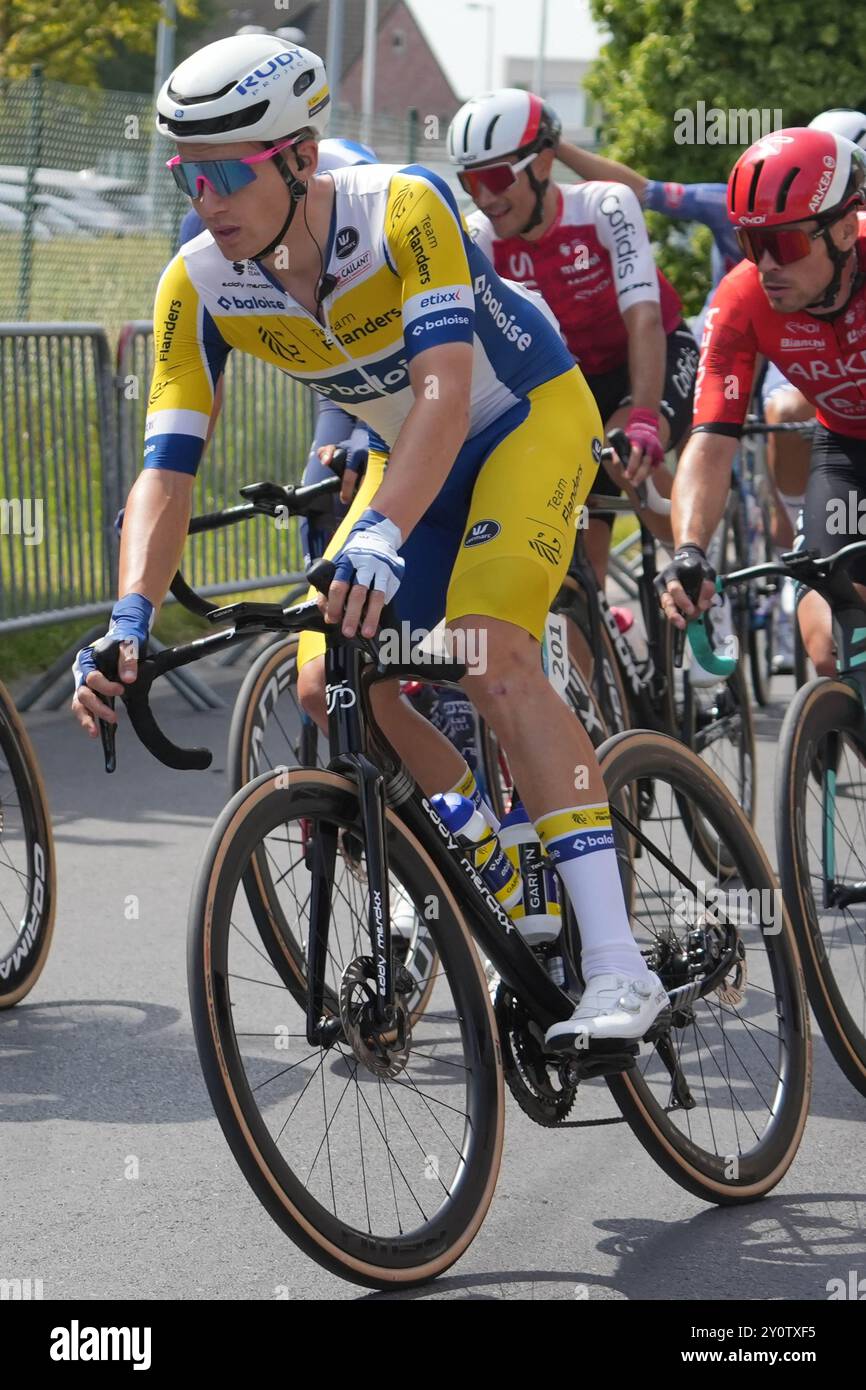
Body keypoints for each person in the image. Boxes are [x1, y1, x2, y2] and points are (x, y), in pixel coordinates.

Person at [71, 34, 669, 1048]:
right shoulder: (201, 281)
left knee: (490, 652)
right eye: (186, 172)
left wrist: (383, 529)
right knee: (326, 675)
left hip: (522, 417)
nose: (204, 196)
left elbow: (442, 389)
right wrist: (127, 615)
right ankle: (483, 838)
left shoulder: (401, 207)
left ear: (298, 158)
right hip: (413, 456)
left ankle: (618, 965)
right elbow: (165, 470)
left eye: (224, 171)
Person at [447, 89, 700, 588]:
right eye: (469, 182)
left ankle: (695, 569)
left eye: (495, 177)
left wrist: (646, 417)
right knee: (573, 577)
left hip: (652, 354)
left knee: (624, 452)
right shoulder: (480, 238)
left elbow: (643, 318)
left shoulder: (605, 204)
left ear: (543, 163)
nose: (485, 198)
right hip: (575, 381)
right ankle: (597, 642)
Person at [657, 126, 866, 682]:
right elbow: (710, 440)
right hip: (846, 446)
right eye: (753, 244)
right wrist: (690, 550)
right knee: (829, 650)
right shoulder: (743, 300)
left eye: (787, 243)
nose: (767, 265)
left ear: (845, 229)